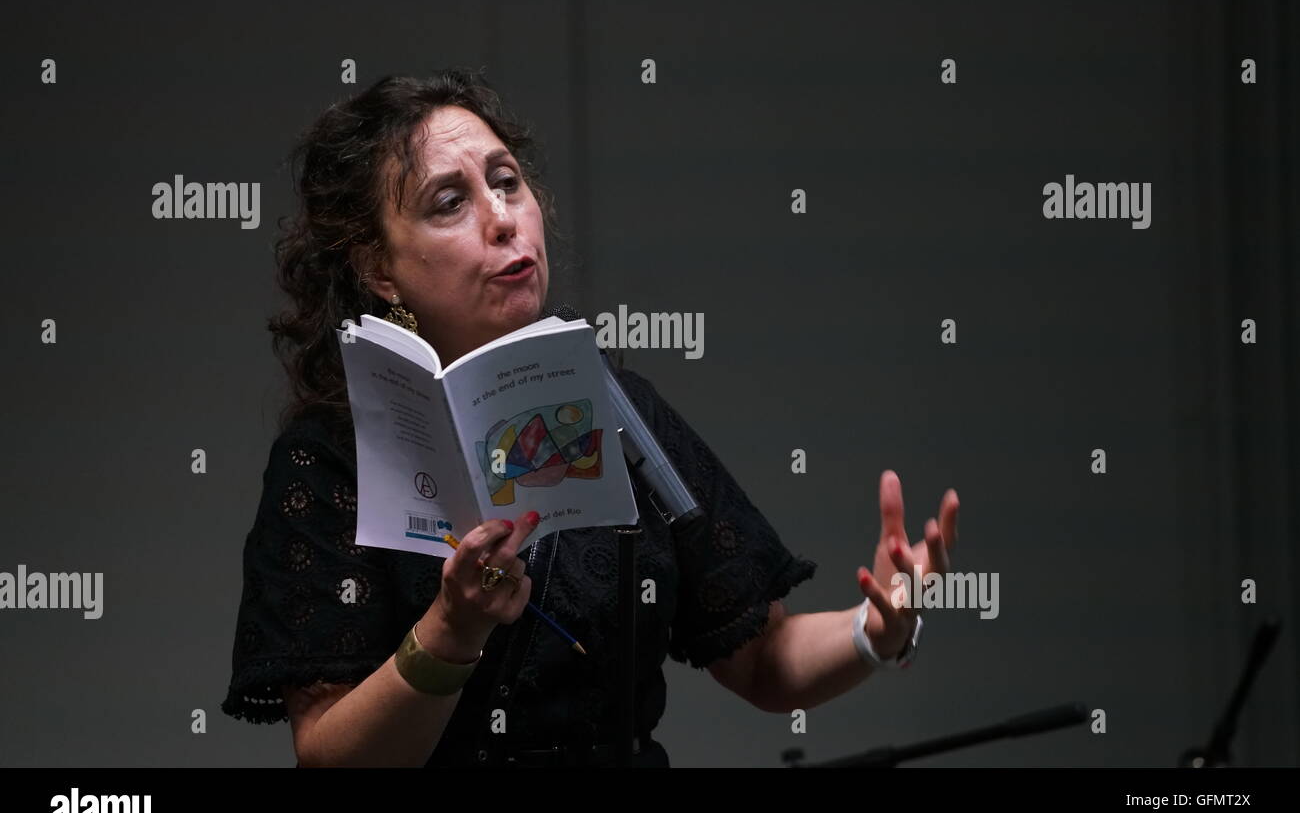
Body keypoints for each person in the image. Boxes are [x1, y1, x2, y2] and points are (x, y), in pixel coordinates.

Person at [219, 68, 961, 767]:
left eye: (507, 182)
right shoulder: (331, 459)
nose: (503, 218)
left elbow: (765, 658)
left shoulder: (620, 409)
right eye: (450, 202)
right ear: (378, 268)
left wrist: (878, 628)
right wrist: (452, 629)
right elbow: (327, 751)